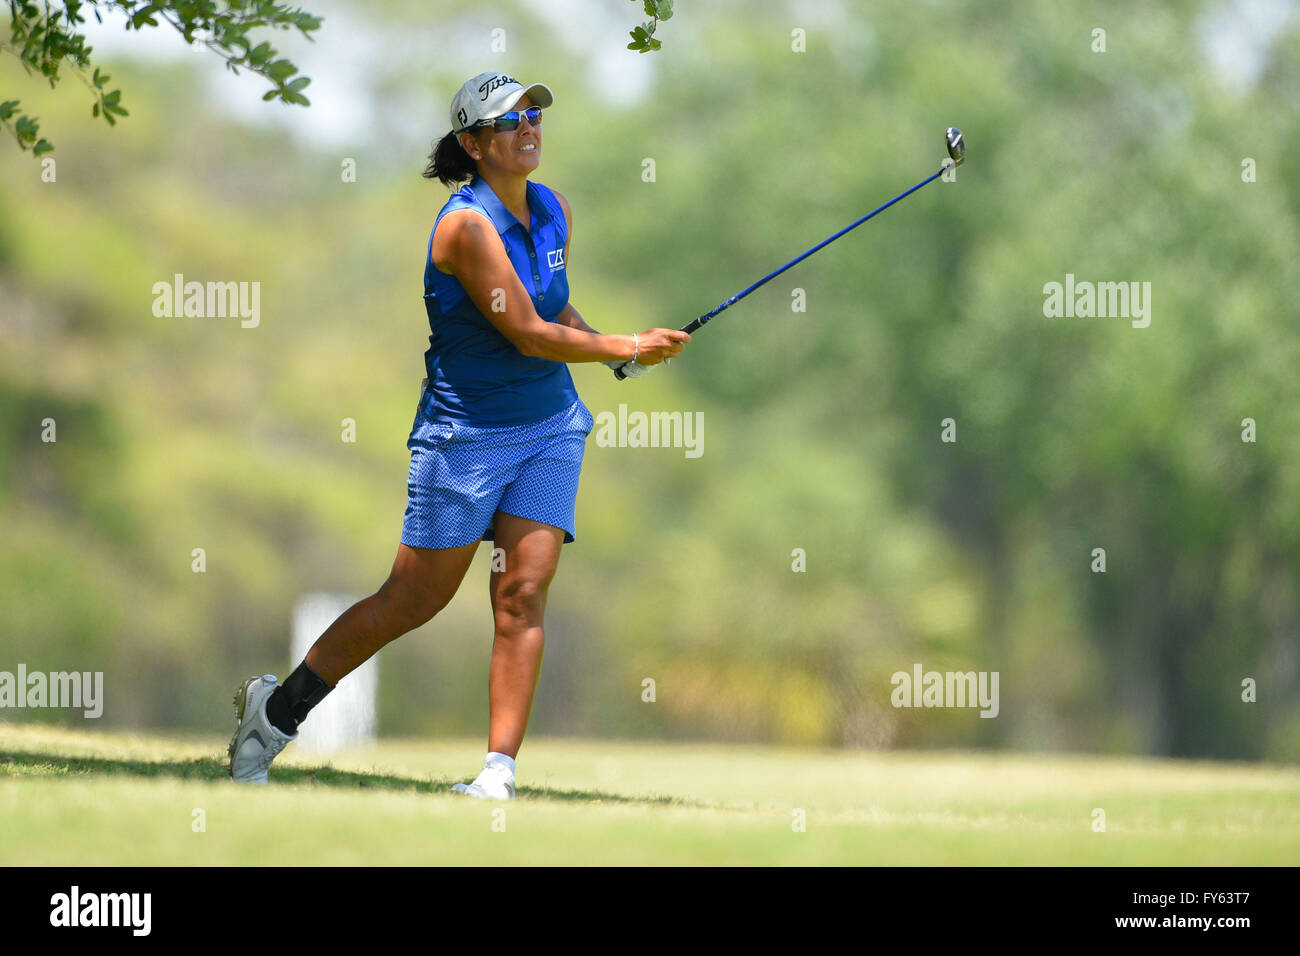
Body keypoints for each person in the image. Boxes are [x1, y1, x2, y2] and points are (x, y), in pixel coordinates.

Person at [227, 71, 690, 798]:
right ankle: (276, 712)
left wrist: (605, 344)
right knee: (412, 601)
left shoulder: (553, 209)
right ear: (474, 145)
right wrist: (626, 346)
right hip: (463, 438)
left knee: (522, 595)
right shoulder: (464, 225)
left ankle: (496, 775)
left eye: (534, 112)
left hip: (549, 428)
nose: (529, 126)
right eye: (509, 121)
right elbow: (527, 334)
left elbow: (555, 311)